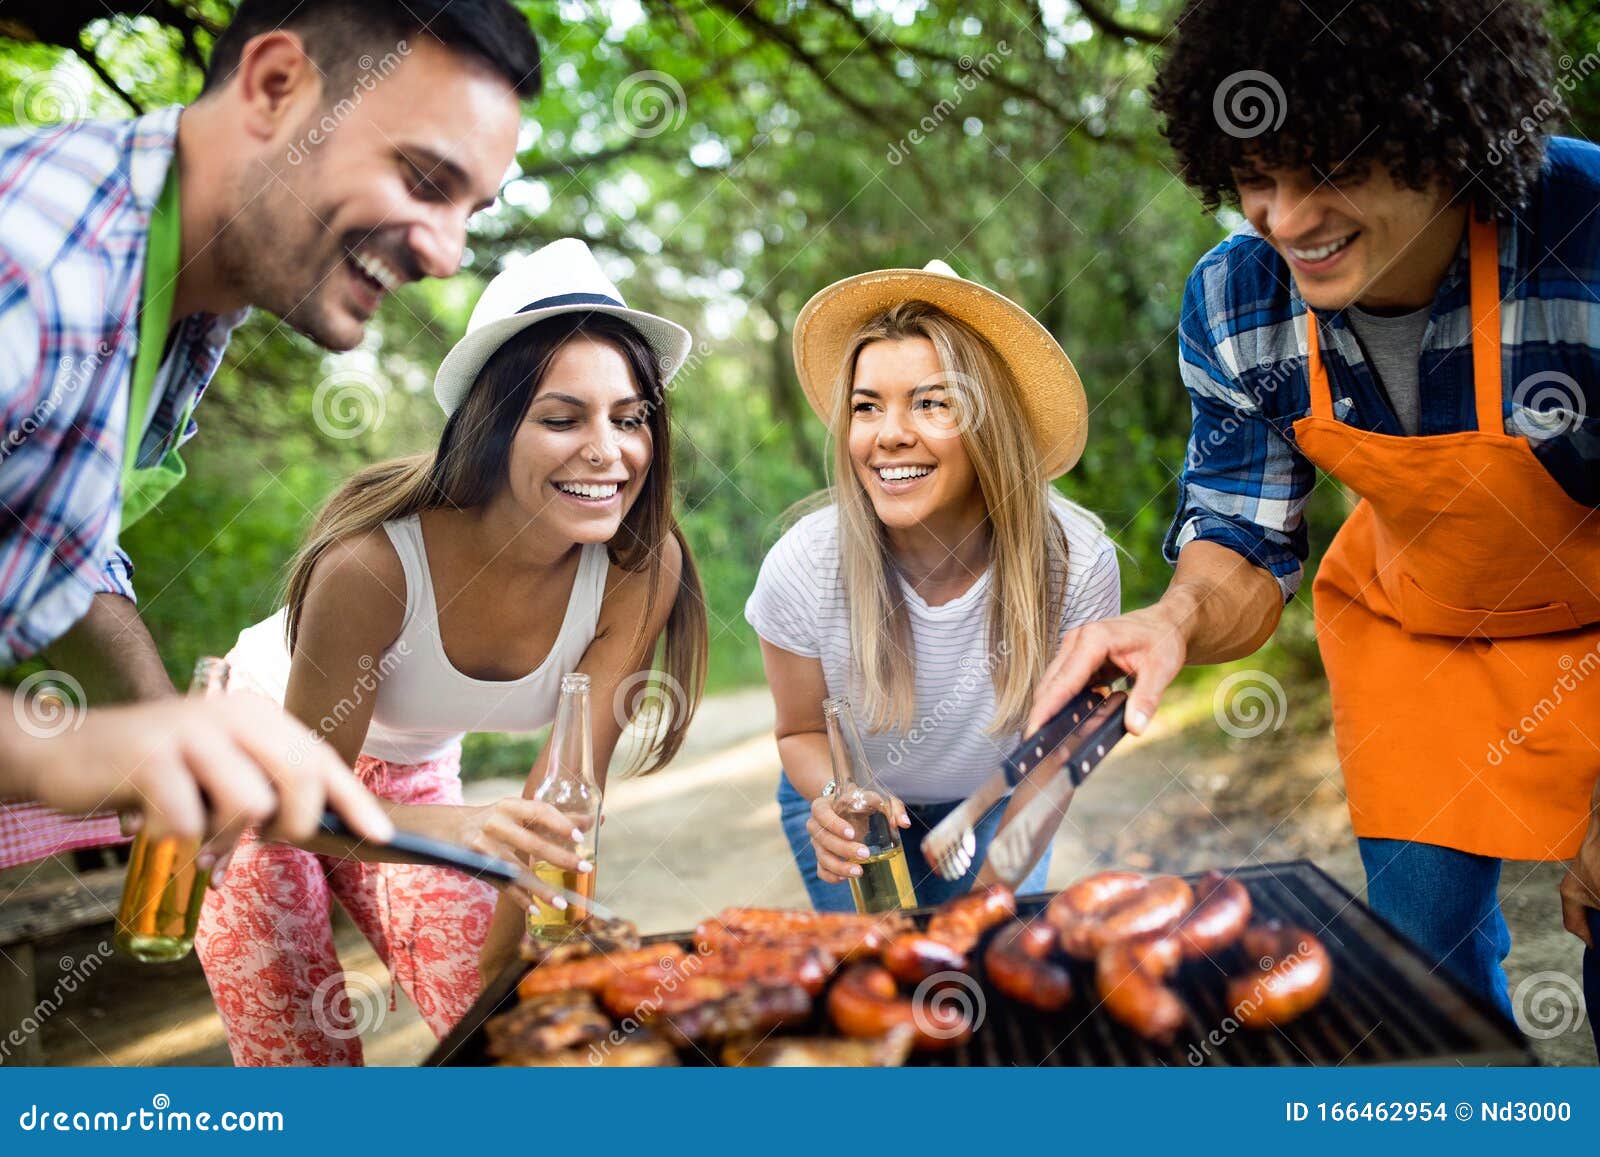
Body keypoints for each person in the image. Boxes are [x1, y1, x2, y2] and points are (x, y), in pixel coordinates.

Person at [1030, 0, 1600, 1026]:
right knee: (1422, 979)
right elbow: (1241, 551)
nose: (1286, 220)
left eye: (1328, 167)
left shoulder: (1586, 231)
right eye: (1255, 178)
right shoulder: (1236, 302)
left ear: (1444, 134)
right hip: (1423, 642)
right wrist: (1170, 621)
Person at [0, 0, 541, 867]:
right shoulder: (32, 278)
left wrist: (159, 729)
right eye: (425, 182)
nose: (447, 254)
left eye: (471, 210)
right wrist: (65, 748)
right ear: (275, 87)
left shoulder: (176, 292)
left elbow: (55, 536)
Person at [195, 238, 708, 1065]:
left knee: (515, 1038)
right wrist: (464, 826)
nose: (608, 451)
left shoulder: (639, 568)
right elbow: (306, 806)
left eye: (630, 416)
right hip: (267, 769)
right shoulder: (372, 565)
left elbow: (564, 800)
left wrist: (512, 990)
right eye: (562, 417)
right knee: (304, 1053)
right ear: (493, 425)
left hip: (413, 773)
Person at [748, 258, 1120, 910]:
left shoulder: (1077, 560)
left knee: (982, 977)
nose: (891, 433)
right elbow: (798, 732)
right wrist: (838, 800)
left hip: (1001, 802)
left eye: (932, 402)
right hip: (858, 810)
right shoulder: (803, 564)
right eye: (867, 406)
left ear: (990, 423)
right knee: (882, 990)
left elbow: (1059, 754)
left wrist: (987, 897)